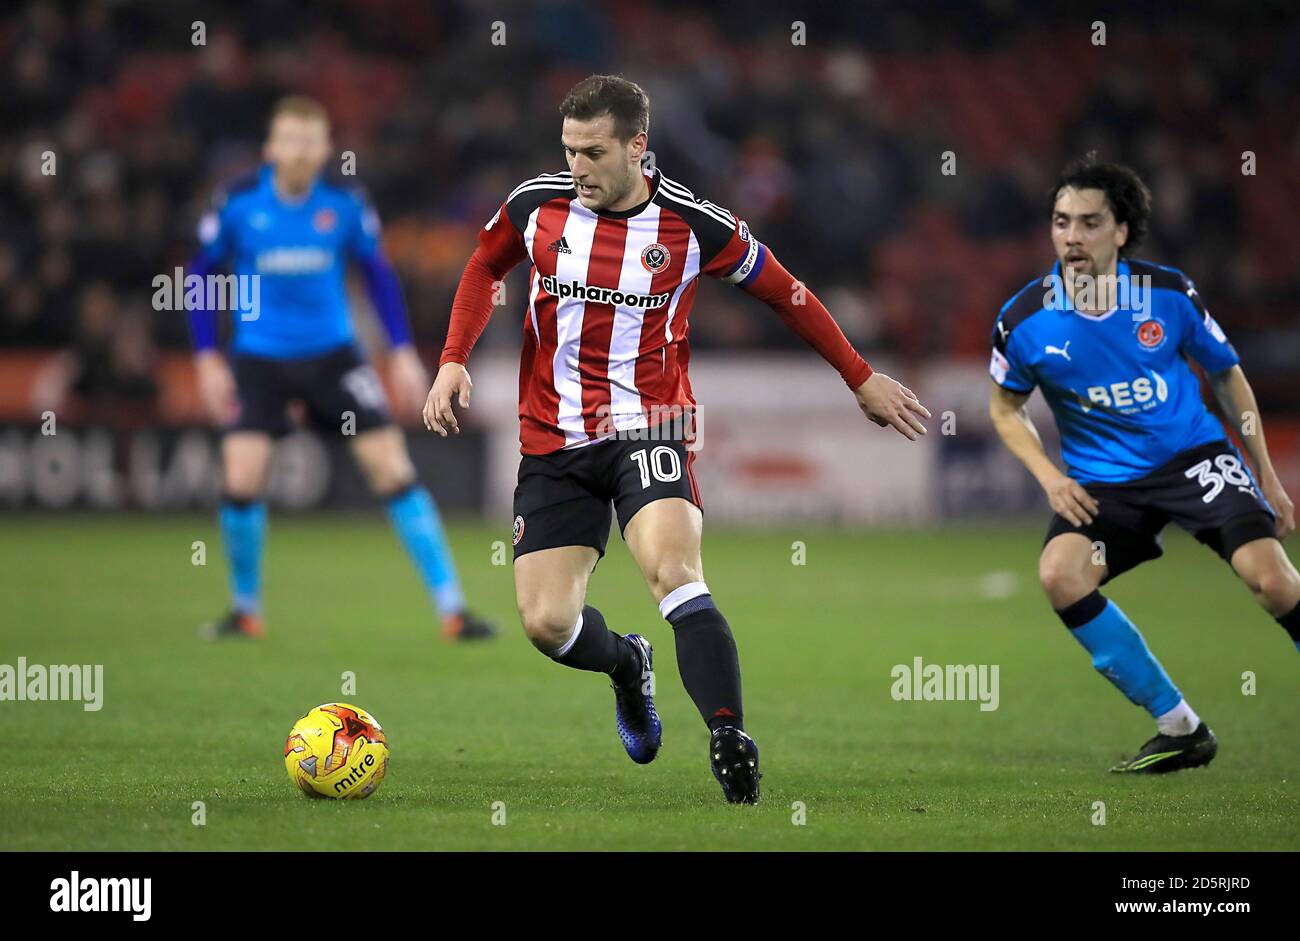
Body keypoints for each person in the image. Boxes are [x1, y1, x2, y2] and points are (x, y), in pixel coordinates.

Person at [423, 75, 929, 802]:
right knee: (546, 624)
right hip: (553, 440)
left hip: (650, 427)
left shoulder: (694, 225)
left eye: (594, 153)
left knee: (674, 574)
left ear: (638, 146)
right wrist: (452, 359)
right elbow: (483, 266)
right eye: (569, 151)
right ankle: (628, 665)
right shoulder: (536, 205)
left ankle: (729, 734)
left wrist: (860, 376)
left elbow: (786, 292)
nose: (577, 167)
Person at [988, 154, 1299, 773]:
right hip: (1105, 487)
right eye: (1061, 222)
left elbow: (1227, 375)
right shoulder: (1024, 320)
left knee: (1273, 583)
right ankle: (1180, 727)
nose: (1072, 237)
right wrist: (1051, 478)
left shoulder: (1167, 294)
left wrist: (1264, 470)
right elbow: (1004, 408)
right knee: (1061, 575)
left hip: (1192, 460)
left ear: (1122, 231)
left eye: (1090, 222)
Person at [188, 95, 494, 641]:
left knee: (393, 470)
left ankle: (454, 610)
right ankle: (244, 611)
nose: (301, 151)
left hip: (334, 355)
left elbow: (377, 275)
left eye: (311, 141)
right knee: (241, 480)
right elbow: (200, 274)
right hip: (259, 357)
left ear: (326, 147)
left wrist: (401, 351)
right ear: (270, 148)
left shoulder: (346, 203)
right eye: (291, 140)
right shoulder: (237, 202)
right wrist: (207, 357)